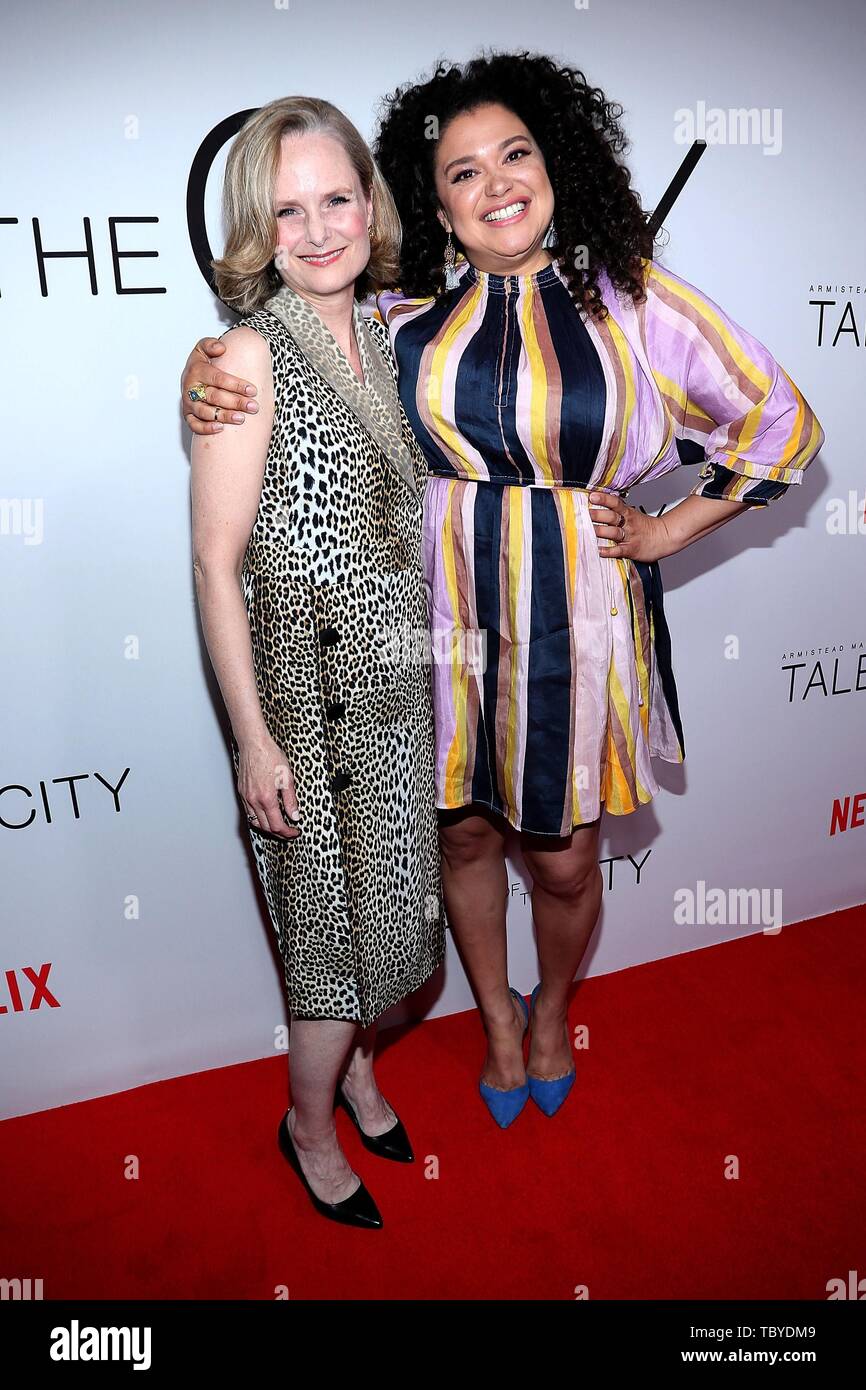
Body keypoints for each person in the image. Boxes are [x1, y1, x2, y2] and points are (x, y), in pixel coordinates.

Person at [183, 53, 824, 1130]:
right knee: (464, 839)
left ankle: (553, 1008)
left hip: (571, 627)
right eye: (461, 171)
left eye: (513, 155)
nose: (495, 185)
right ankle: (490, 1017)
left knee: (566, 862)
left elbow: (781, 425)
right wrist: (202, 369)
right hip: (428, 622)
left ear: (555, 164)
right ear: (430, 203)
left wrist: (669, 524)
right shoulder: (401, 308)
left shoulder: (635, 301)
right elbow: (281, 348)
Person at [189, 95, 444, 1227]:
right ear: (257, 227)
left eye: (336, 196)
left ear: (370, 202)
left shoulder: (397, 331)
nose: (317, 227)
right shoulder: (245, 353)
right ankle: (305, 1124)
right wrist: (251, 739)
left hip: (396, 691)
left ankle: (354, 1071)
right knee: (327, 959)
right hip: (303, 703)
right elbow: (212, 565)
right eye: (286, 208)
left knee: (390, 931)